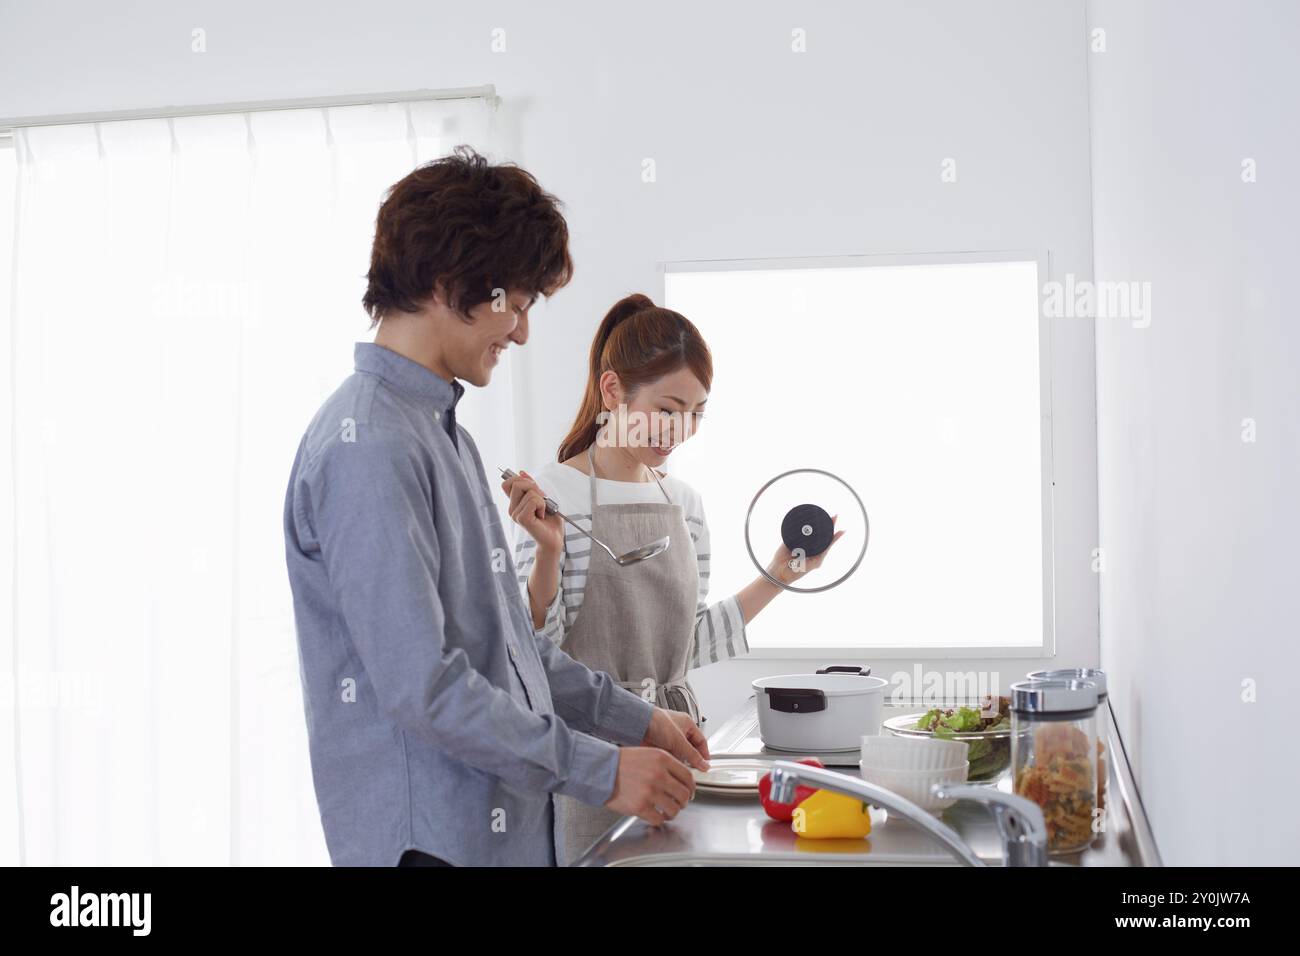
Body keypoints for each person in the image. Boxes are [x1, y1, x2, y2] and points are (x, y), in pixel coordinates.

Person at [283, 149, 709, 867]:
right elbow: (428, 689)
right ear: (452, 284)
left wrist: (639, 722)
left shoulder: (444, 437)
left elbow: (510, 649)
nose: (522, 331)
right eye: (518, 302)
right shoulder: (369, 447)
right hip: (433, 848)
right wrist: (604, 769)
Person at [504, 293, 842, 864]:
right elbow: (531, 646)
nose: (681, 429)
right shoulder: (552, 497)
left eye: (697, 412)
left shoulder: (683, 504)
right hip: (593, 755)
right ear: (612, 392)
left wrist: (781, 574)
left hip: (678, 744)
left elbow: (685, 644)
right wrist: (547, 553)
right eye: (667, 408)